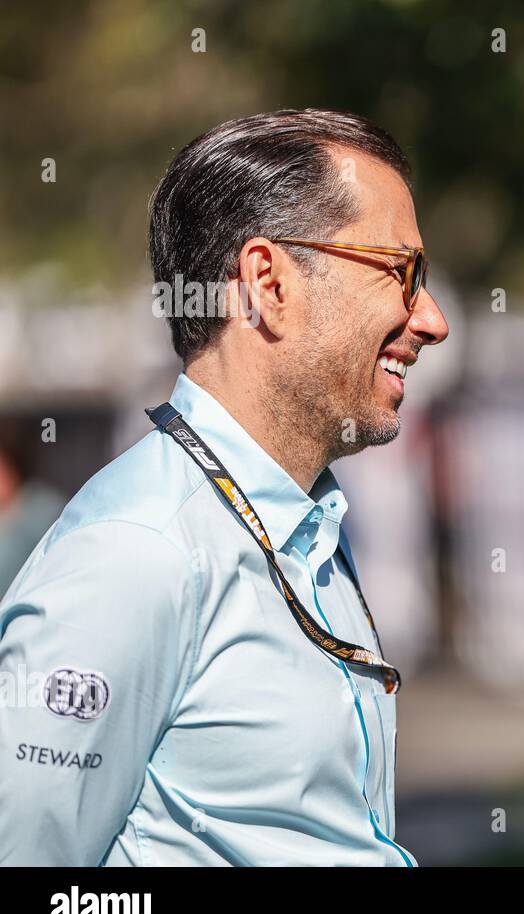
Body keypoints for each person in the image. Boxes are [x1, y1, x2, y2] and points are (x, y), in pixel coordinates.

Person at [0, 109, 449, 865]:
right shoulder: (136, 553)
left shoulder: (308, 523)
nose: (430, 321)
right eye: (402, 273)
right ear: (268, 284)